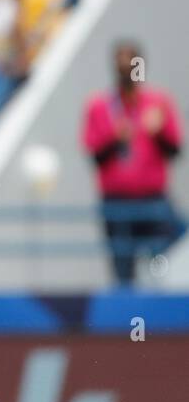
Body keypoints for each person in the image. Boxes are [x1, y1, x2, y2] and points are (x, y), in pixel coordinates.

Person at [82, 42, 184, 286]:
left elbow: (175, 151)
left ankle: (162, 321)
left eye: (131, 65)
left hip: (153, 202)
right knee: (122, 272)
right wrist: (115, 139)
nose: (126, 71)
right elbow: (96, 157)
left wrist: (158, 132)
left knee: (163, 269)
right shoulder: (99, 106)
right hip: (117, 204)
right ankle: (127, 322)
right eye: (121, 66)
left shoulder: (158, 103)